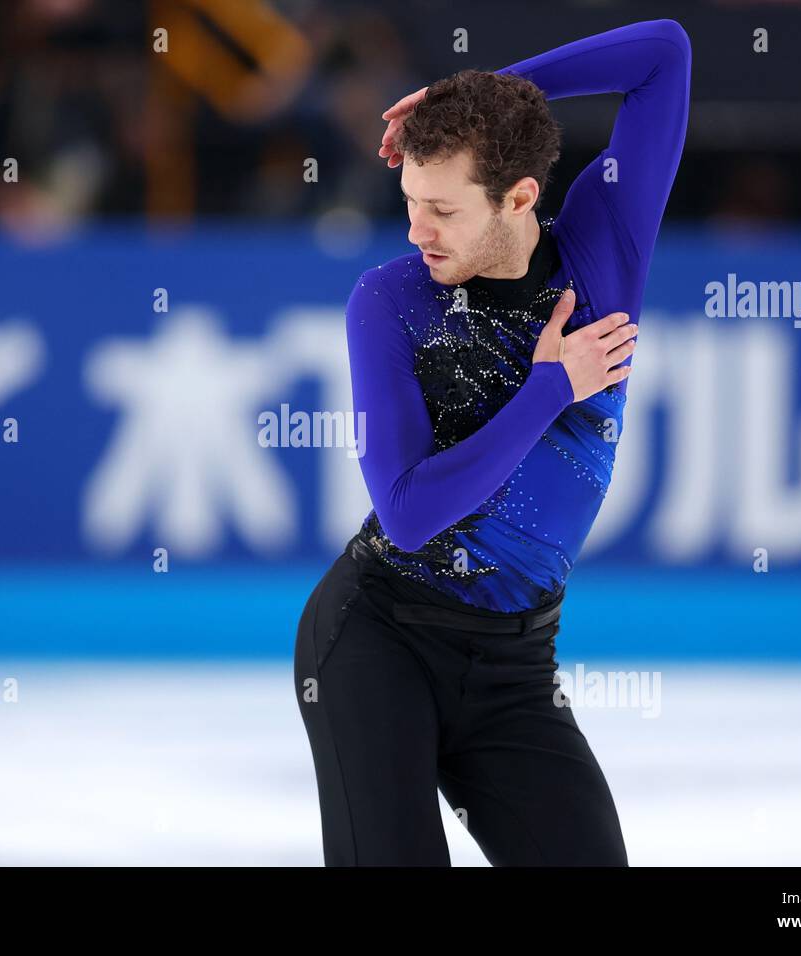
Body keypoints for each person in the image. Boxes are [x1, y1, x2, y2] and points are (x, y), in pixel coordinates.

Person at [294, 19, 691, 866]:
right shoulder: (390, 301)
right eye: (409, 205)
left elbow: (665, 53)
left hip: (516, 664)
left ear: (517, 196)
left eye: (442, 210)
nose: (416, 232)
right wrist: (552, 387)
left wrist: (482, 97)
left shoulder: (603, 254)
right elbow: (406, 513)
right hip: (378, 639)